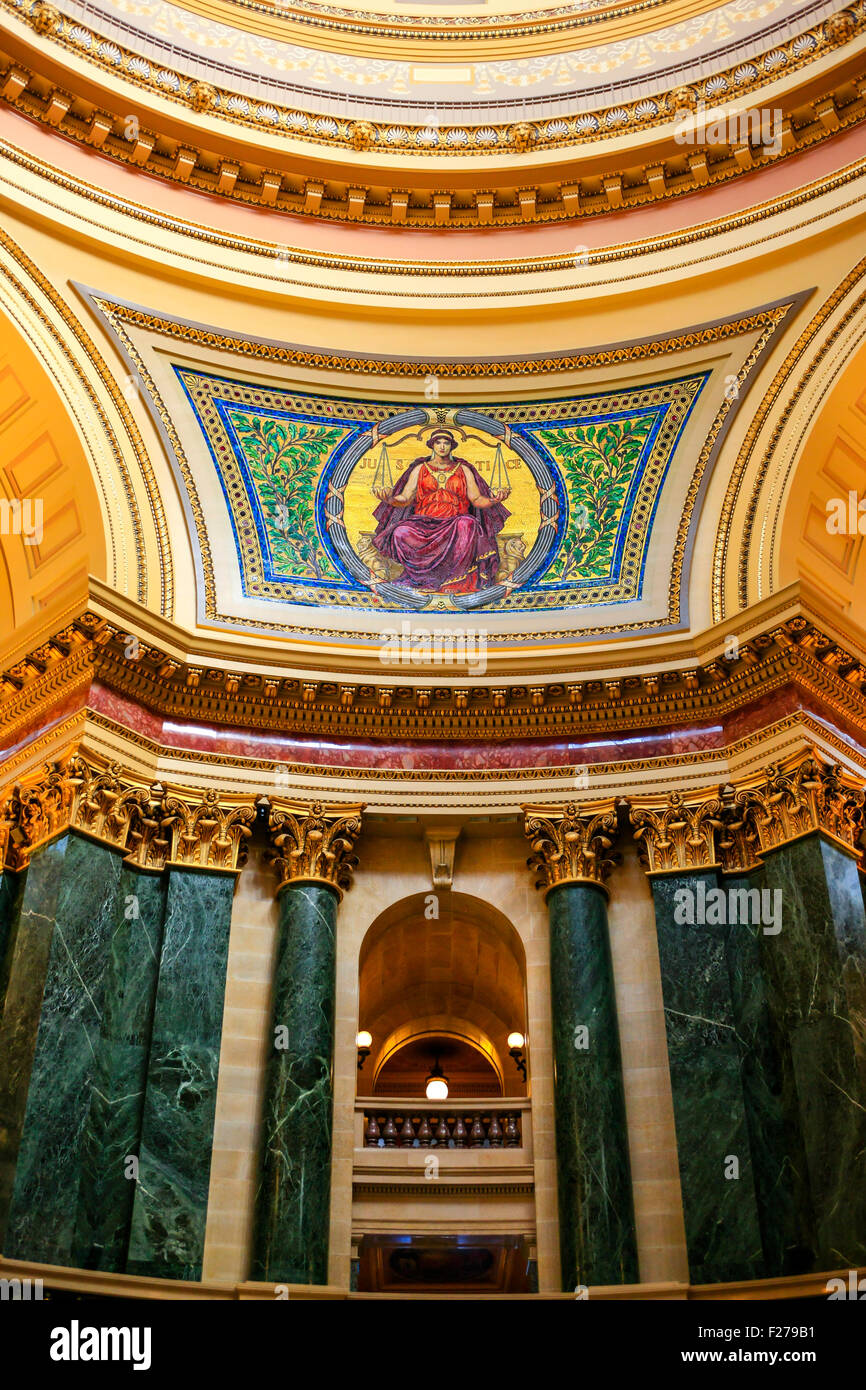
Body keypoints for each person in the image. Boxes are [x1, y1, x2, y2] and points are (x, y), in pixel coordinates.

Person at [370, 429, 510, 594]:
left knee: (468, 523)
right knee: (400, 532)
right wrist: (389, 499)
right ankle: (422, 579)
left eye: (446, 443)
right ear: (432, 445)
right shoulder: (420, 469)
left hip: (454, 522)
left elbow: (477, 499)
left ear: (451, 446)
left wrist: (494, 500)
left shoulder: (463, 469)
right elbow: (405, 498)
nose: (442, 446)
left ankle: (456, 581)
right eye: (438, 442)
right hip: (424, 523)